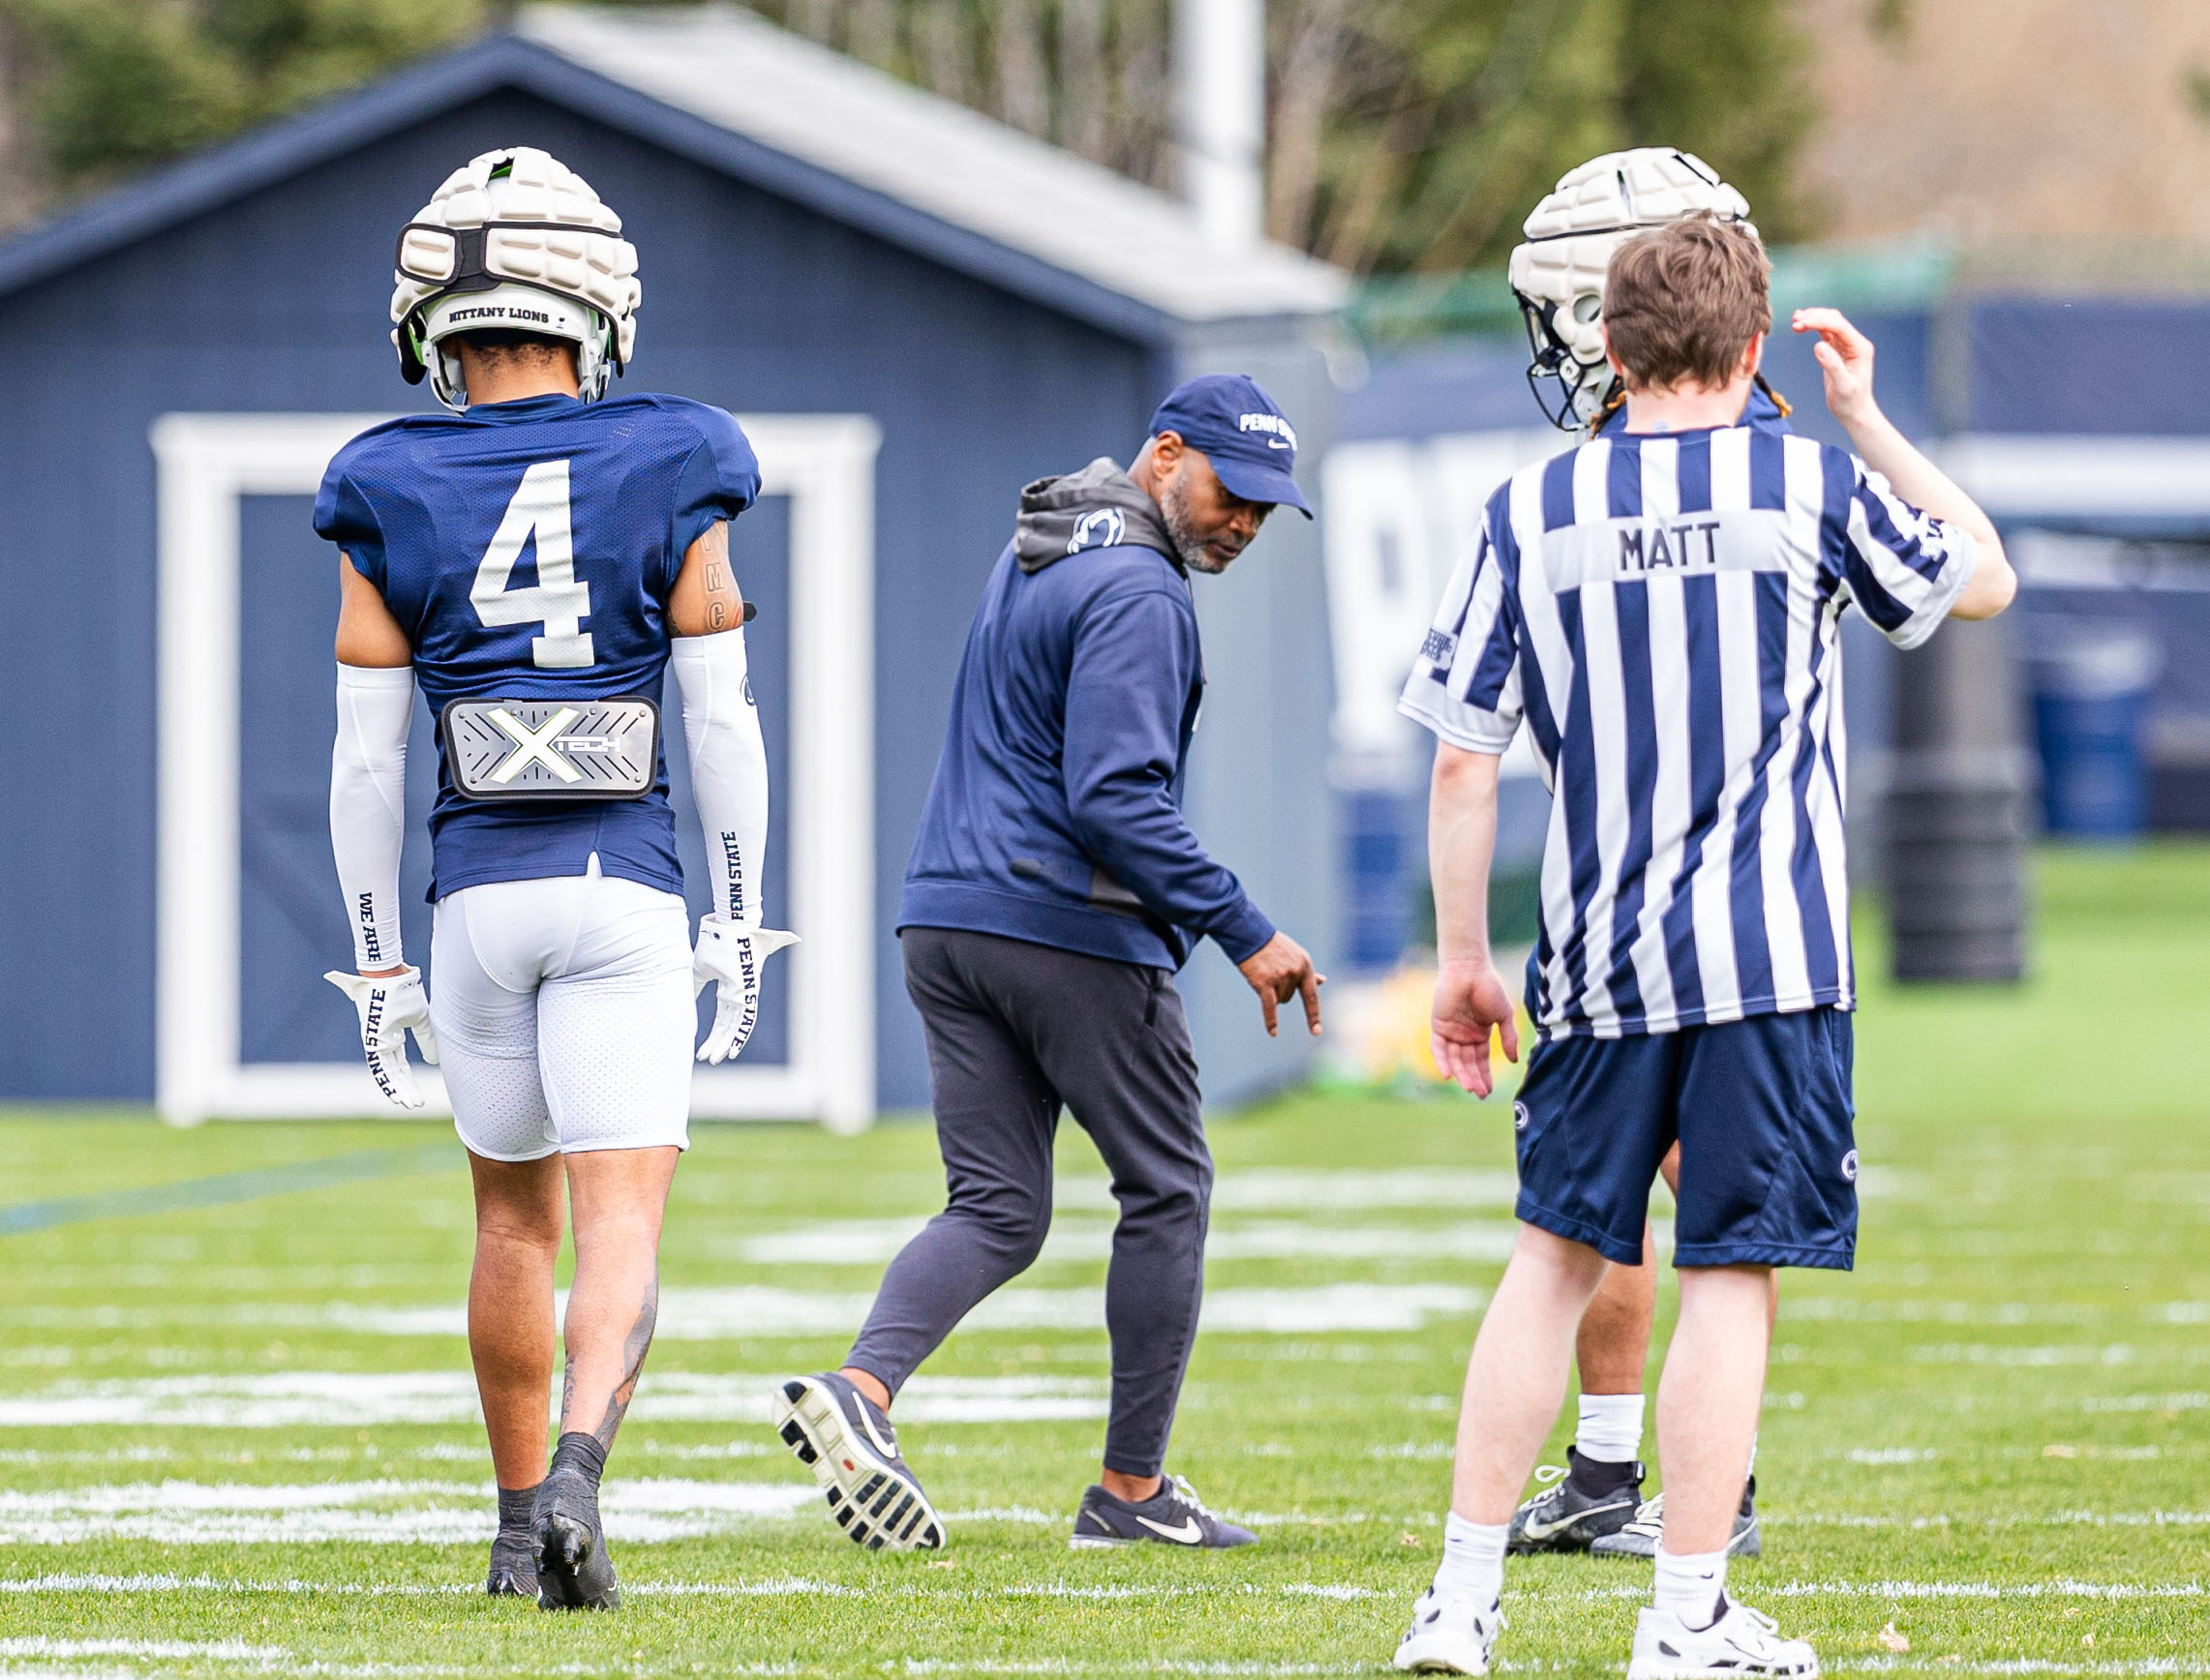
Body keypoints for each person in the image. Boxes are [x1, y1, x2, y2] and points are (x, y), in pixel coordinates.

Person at [1390, 213, 2016, 1676]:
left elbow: (1459, 762)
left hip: (1596, 962)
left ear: (1604, 348)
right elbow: (1977, 575)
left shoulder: (1526, 510)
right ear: (1752, 350)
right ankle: (1680, 1618)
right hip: (1769, 963)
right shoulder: (1804, 483)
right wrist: (1862, 414)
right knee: (1728, 1274)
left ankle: (1458, 1602)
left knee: (1546, 1263)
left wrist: (1459, 960)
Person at [318, 146, 790, 1610]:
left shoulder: (384, 478)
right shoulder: (675, 449)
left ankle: (518, 1530)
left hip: (474, 903)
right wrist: (735, 916)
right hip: (625, 883)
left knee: (507, 1221)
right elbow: (717, 718)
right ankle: (582, 1471)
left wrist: (379, 957)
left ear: (428, 325)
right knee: (622, 1218)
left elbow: (364, 763)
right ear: (595, 307)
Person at [770, 375, 1324, 1554]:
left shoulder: (1042, 548)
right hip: (1064, 927)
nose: (1246, 523)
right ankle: (1131, 1495)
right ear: (1167, 453)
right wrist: (1247, 929)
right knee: (1168, 1189)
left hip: (947, 920)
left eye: (1270, 511)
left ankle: (863, 1392)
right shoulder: (1140, 589)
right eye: (1236, 493)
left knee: (1000, 1206)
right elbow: (1114, 797)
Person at [1499, 148, 1784, 1563]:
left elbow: (1461, 741)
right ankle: (1625, 1472)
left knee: (1598, 1216)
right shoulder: (1781, 472)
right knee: (1653, 1211)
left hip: (1635, 908)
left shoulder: (1554, 503)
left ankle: (1677, 1490)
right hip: (1731, 920)